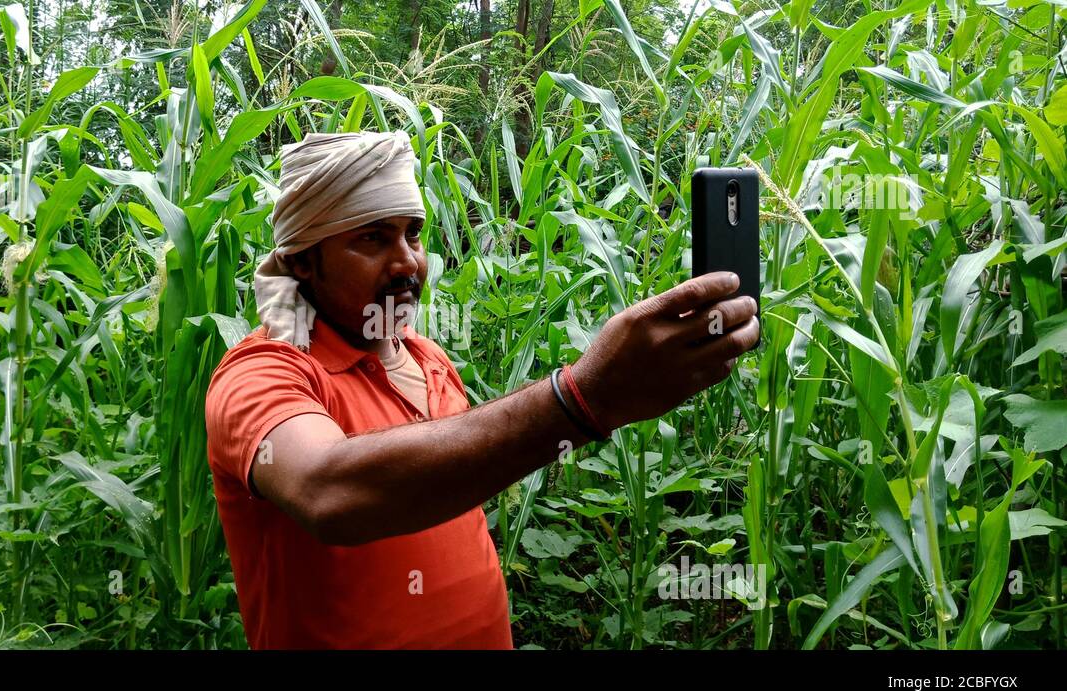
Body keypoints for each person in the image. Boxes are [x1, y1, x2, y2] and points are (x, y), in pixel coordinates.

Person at [205, 131, 759, 649]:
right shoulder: (262, 372)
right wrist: (584, 398)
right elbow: (328, 493)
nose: (407, 262)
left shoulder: (428, 358)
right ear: (303, 261)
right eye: (372, 239)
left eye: (412, 233)